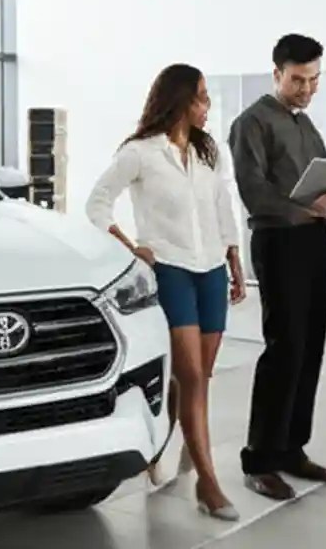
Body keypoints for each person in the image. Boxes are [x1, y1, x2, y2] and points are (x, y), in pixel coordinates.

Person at [86, 63, 247, 521]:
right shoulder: (139, 152)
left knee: (198, 376)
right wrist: (131, 247)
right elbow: (97, 202)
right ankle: (208, 484)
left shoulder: (207, 152)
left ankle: (169, 449)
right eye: (200, 96)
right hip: (171, 268)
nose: (207, 105)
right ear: (178, 99)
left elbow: (222, 202)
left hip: (211, 267)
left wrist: (235, 258)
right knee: (191, 376)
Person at [228, 34, 326, 500]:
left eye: (315, 80)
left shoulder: (306, 126)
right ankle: (260, 459)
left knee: (311, 346)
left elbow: (318, 182)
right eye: (298, 79)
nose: (307, 89)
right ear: (276, 74)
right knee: (284, 346)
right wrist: (308, 210)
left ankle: (291, 449)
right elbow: (254, 191)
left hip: (312, 238)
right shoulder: (251, 123)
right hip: (278, 241)